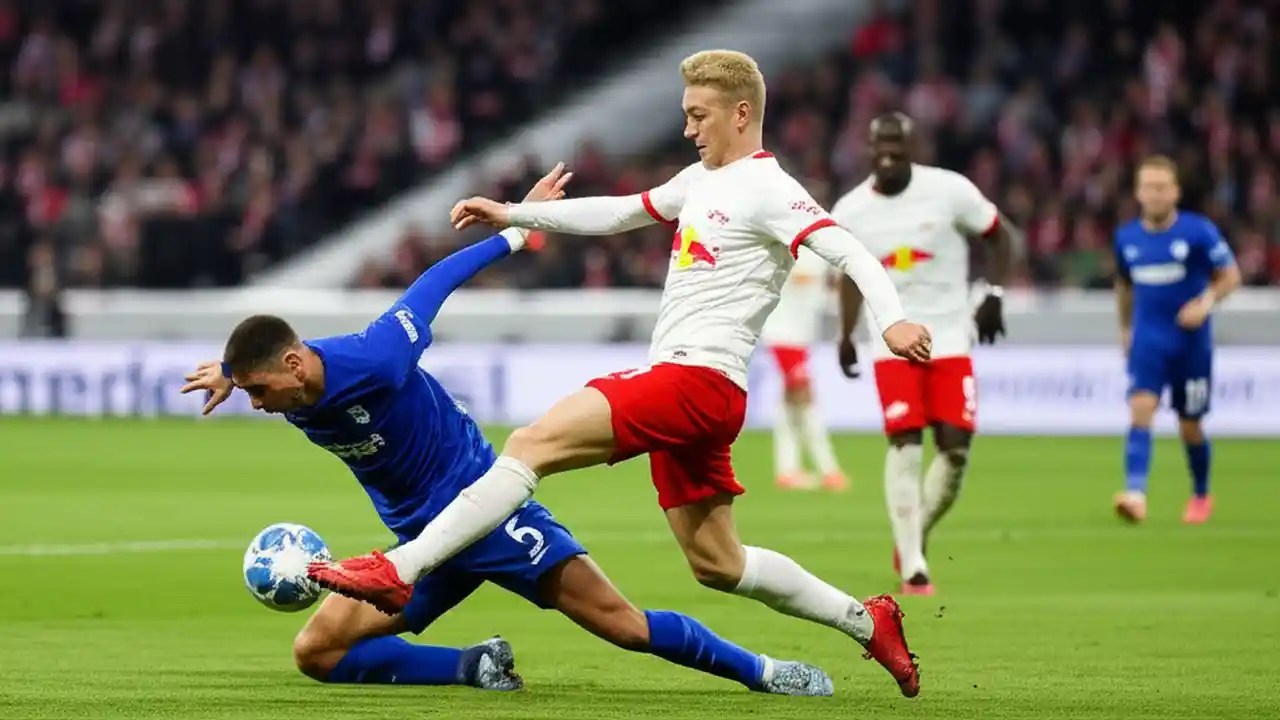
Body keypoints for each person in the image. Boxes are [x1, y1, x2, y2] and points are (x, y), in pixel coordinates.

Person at [312, 50, 930, 698]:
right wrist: (517, 215)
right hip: (697, 393)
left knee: (530, 444)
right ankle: (866, 620)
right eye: (685, 115)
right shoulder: (702, 179)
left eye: (699, 115)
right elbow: (619, 212)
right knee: (719, 564)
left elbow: (849, 248)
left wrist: (891, 321)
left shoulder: (771, 190)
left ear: (741, 113)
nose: (689, 128)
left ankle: (399, 566)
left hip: (697, 382)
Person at [179, 167, 834, 697]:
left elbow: (431, 284)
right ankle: (475, 665)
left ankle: (767, 673)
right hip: (421, 542)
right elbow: (258, 359)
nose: (259, 404)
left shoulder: (375, 356)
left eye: (261, 390)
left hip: (484, 511)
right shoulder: (280, 380)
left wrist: (518, 231)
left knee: (624, 626)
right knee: (316, 652)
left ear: (294, 364)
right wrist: (231, 374)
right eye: (251, 391)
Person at [831, 112, 1014, 596]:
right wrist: (847, 333)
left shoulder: (950, 190)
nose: (887, 151)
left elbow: (1002, 235)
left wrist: (993, 292)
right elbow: (849, 275)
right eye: (879, 143)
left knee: (954, 451)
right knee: (906, 443)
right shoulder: (850, 210)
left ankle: (913, 532)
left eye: (896, 142)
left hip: (951, 336)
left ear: (914, 146)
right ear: (868, 148)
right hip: (891, 338)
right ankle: (914, 564)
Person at [1111, 155, 1240, 524]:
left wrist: (1206, 303)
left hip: (1191, 343)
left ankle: (1200, 494)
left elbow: (1231, 276)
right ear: (1138, 192)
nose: (1154, 194)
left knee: (1190, 425)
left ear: (1176, 192)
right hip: (1149, 340)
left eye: (1161, 187)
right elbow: (1124, 286)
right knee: (1140, 407)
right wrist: (1124, 329)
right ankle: (1135, 494)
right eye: (1148, 187)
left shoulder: (1199, 232)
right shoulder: (1127, 238)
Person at [760, 244, 848, 491]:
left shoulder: (813, 252)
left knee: (790, 404)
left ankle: (788, 469)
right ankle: (828, 468)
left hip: (799, 337)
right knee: (806, 398)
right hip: (784, 336)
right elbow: (801, 277)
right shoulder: (798, 250)